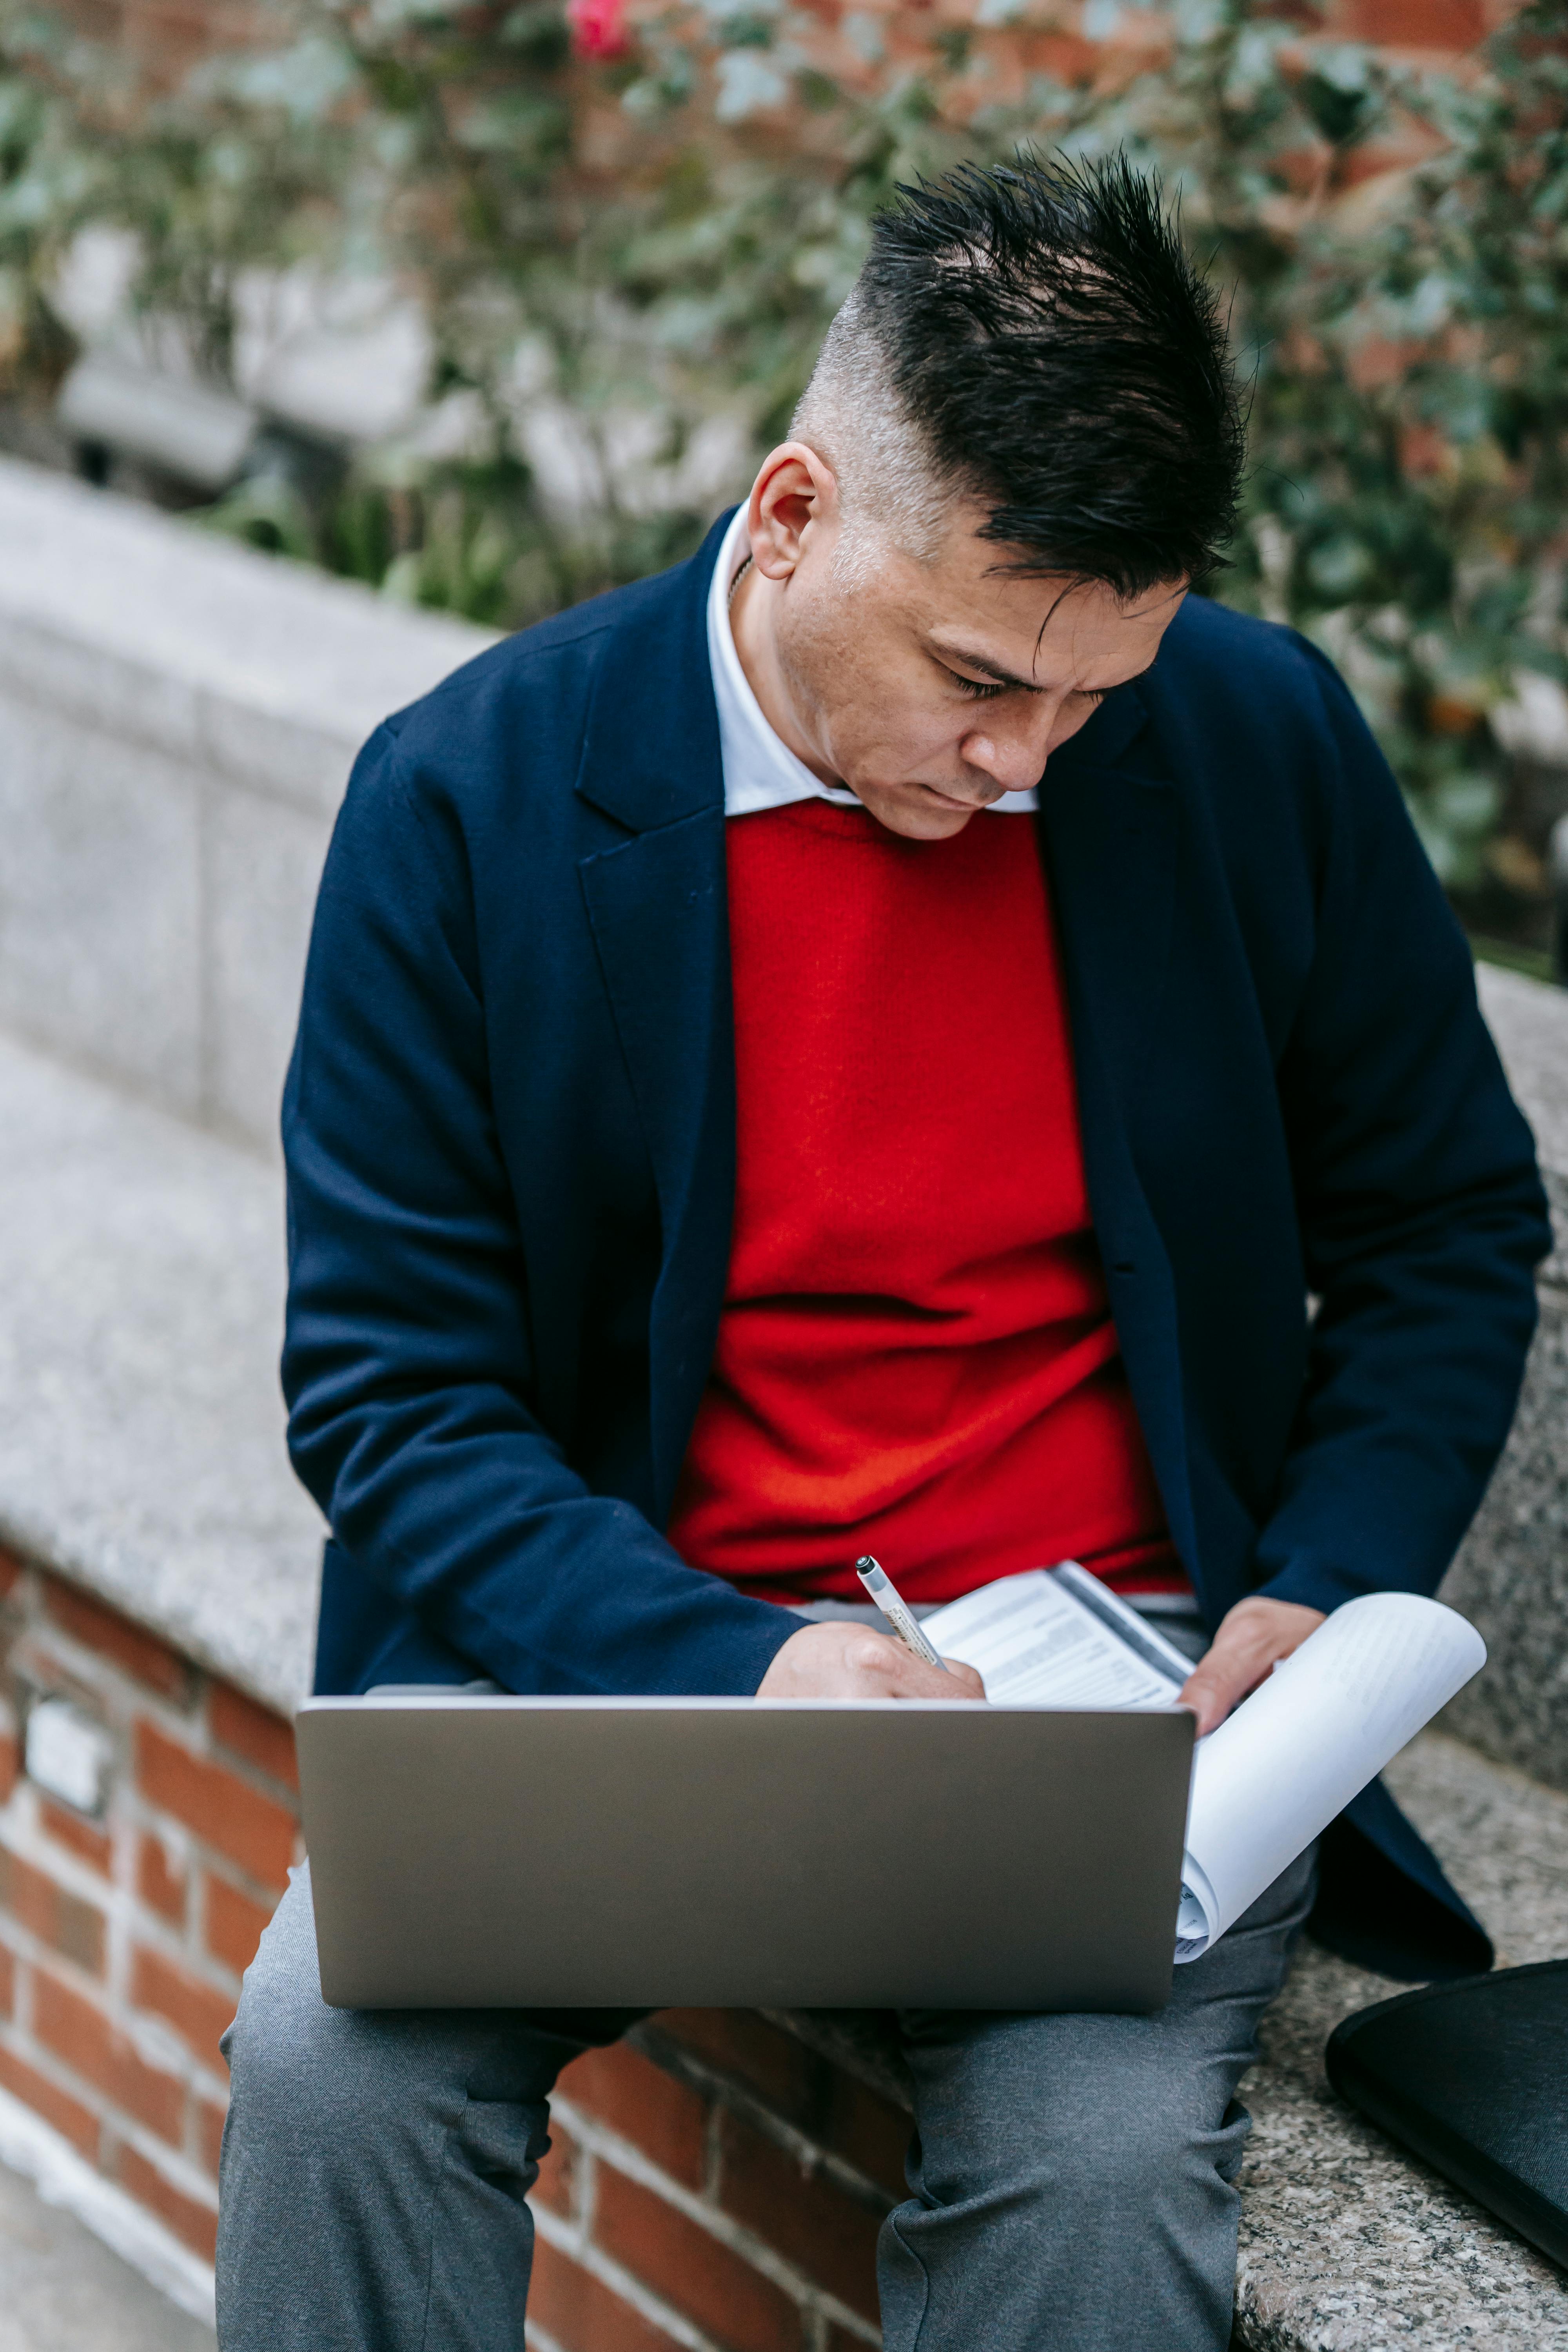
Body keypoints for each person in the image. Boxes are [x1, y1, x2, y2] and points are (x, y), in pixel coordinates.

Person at [216, 156, 1549, 2350]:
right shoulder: (467, 797)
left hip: (1121, 1714)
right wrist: (738, 1665)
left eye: (1092, 698)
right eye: (976, 681)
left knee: (1100, 2188)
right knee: (329, 2076)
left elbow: (1447, 1218)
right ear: (794, 510)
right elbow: (391, 1393)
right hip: (629, 1672)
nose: (1026, 764)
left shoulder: (1250, 739)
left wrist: (1324, 1583)